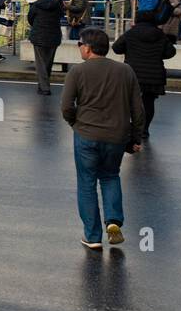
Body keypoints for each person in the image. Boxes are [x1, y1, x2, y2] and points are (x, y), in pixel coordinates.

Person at [60, 28, 144, 250]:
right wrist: (135, 137)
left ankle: (93, 236)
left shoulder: (77, 72)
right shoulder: (126, 71)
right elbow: (138, 109)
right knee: (110, 176)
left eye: (79, 44)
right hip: (116, 136)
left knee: (87, 183)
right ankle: (114, 221)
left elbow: (66, 106)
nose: (79, 48)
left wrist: (75, 124)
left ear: (87, 48)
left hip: (86, 135)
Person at [112, 8, 176, 140]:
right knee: (148, 103)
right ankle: (144, 130)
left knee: (129, 101)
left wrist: (129, 50)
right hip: (154, 75)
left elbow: (116, 48)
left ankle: (131, 127)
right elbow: (171, 52)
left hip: (132, 73)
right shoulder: (160, 34)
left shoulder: (130, 33)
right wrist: (158, 55)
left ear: (136, 20)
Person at [27, 0, 63, 95]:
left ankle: (44, 87)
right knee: (48, 62)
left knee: (40, 63)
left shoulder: (36, 5)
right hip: (54, 36)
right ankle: (42, 85)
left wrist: (37, 26)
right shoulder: (56, 5)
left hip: (39, 36)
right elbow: (60, 16)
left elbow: (30, 18)